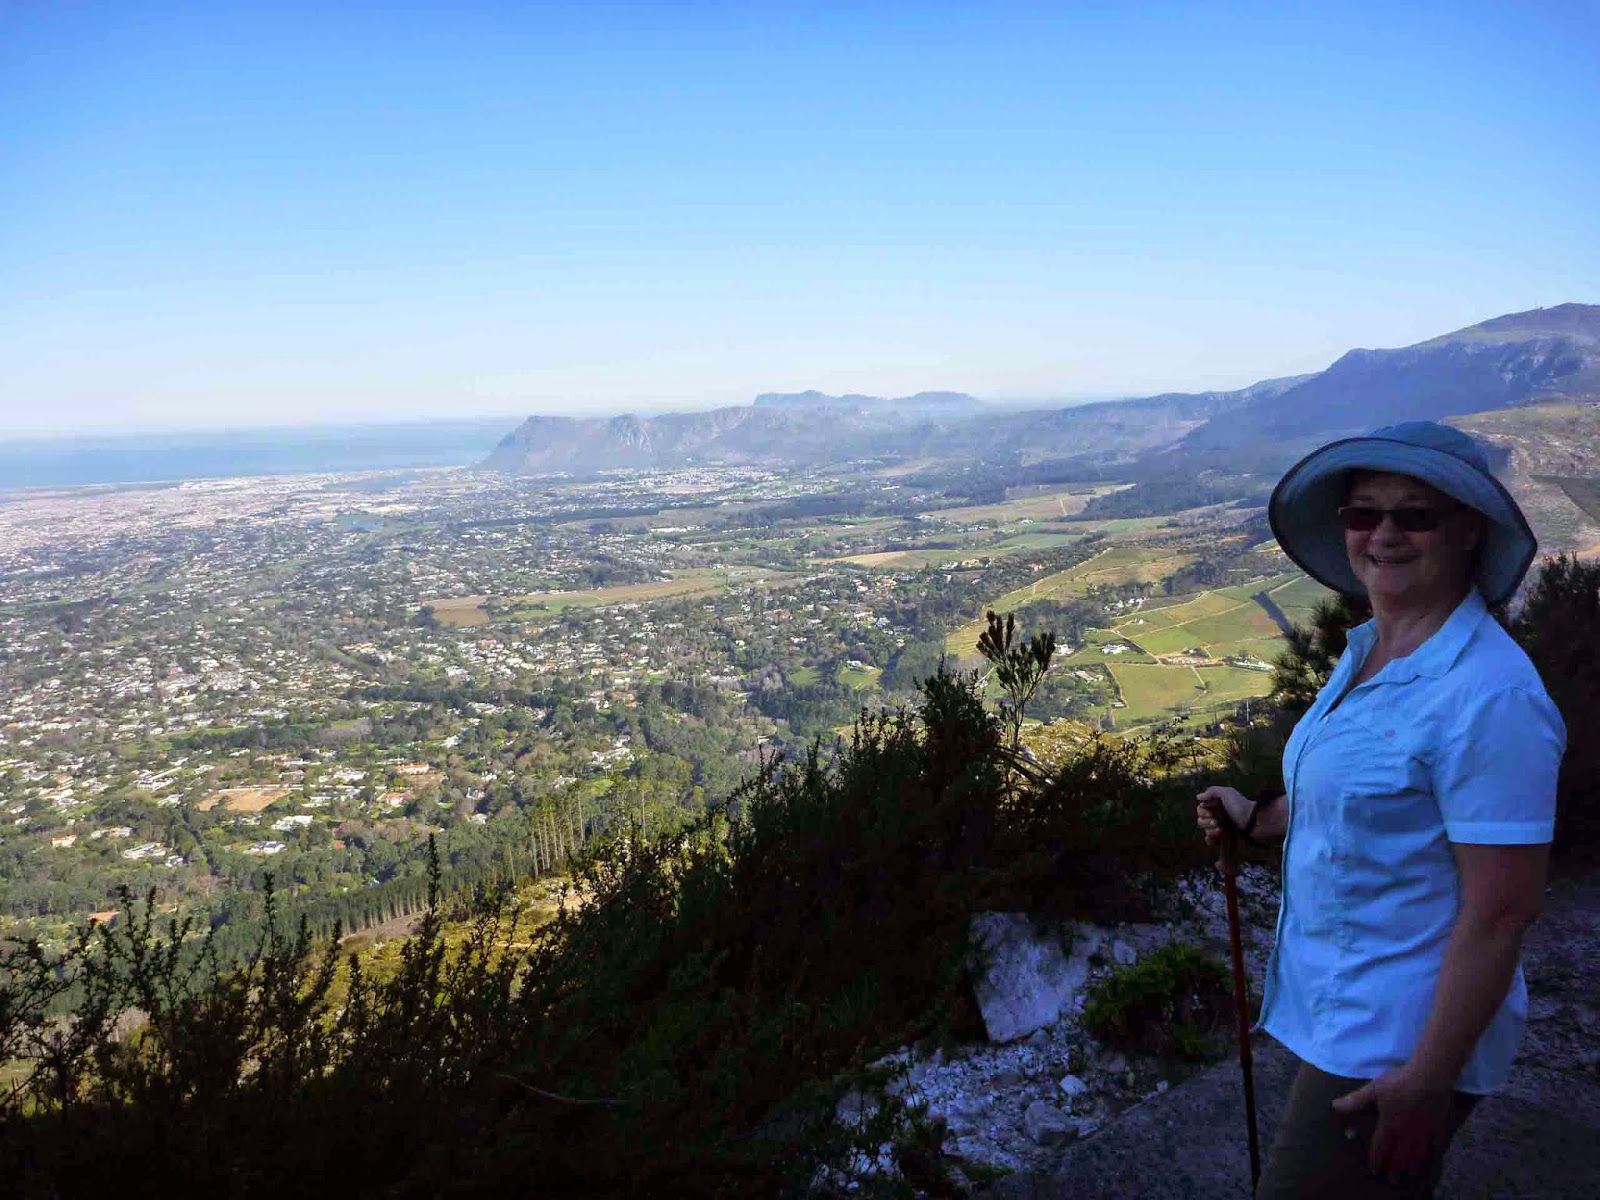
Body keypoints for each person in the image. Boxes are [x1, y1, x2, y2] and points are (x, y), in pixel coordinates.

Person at [1195, 421, 1565, 1199]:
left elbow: (1502, 914)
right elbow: (1351, 797)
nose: (1385, 534)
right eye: (1365, 514)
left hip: (1398, 1041)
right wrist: (1254, 817)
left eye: (1415, 514)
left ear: (1467, 531)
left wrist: (1429, 1079)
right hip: (1346, 1008)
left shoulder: (1490, 695)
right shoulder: (1370, 647)